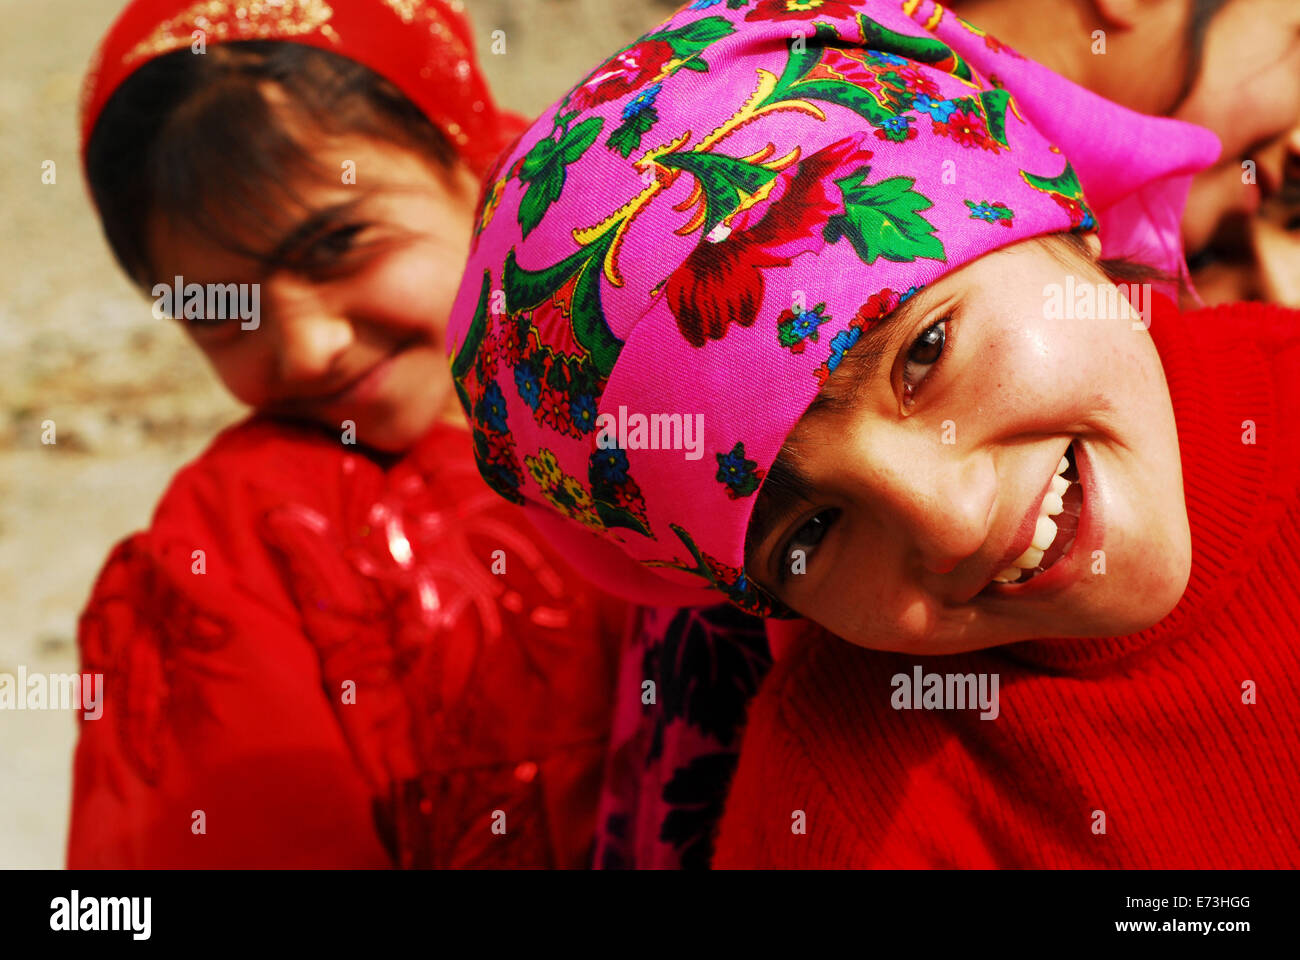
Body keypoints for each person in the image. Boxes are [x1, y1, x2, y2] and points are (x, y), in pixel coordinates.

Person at [446, 0, 1299, 866]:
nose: (952, 521)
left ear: (1050, 206)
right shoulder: (846, 812)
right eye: (808, 534)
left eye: (925, 353)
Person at [69, 0, 627, 869]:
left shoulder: (693, 358)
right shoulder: (232, 552)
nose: (309, 346)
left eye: (337, 246)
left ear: (469, 154)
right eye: (225, 310)